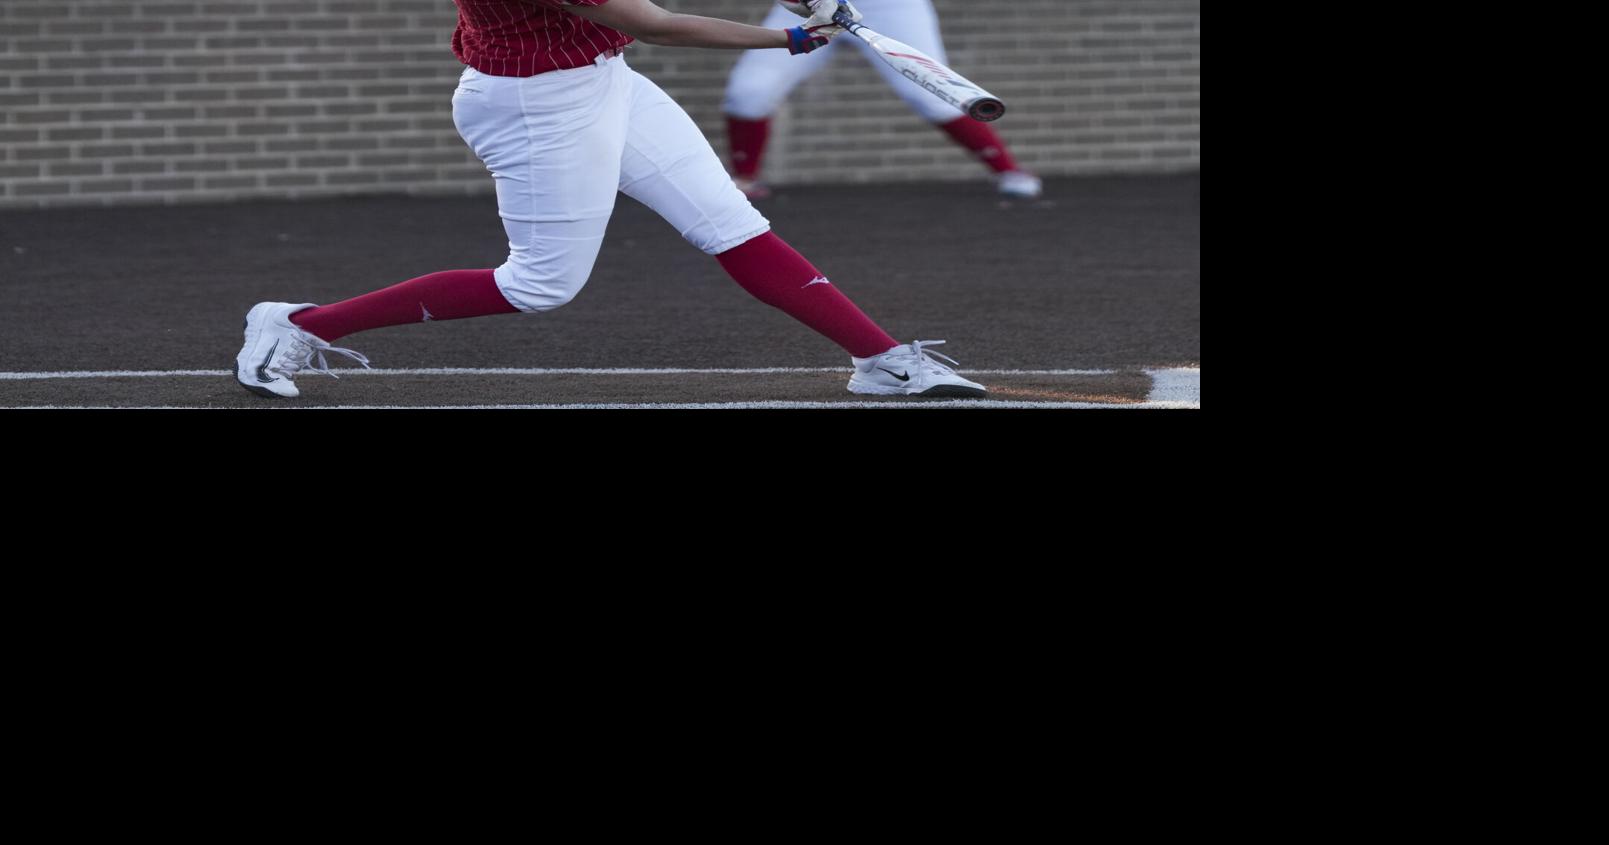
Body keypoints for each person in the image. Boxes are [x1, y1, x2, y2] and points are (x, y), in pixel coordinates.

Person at [235, 0, 986, 401]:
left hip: (602, 79)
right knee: (538, 284)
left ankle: (881, 360)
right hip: (534, 104)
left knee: (731, 223)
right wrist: (792, 37)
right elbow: (655, 24)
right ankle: (299, 324)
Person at [723, 0, 1042, 200]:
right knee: (749, 91)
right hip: (809, 5)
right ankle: (746, 180)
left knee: (931, 94)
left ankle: (1010, 171)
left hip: (891, 6)